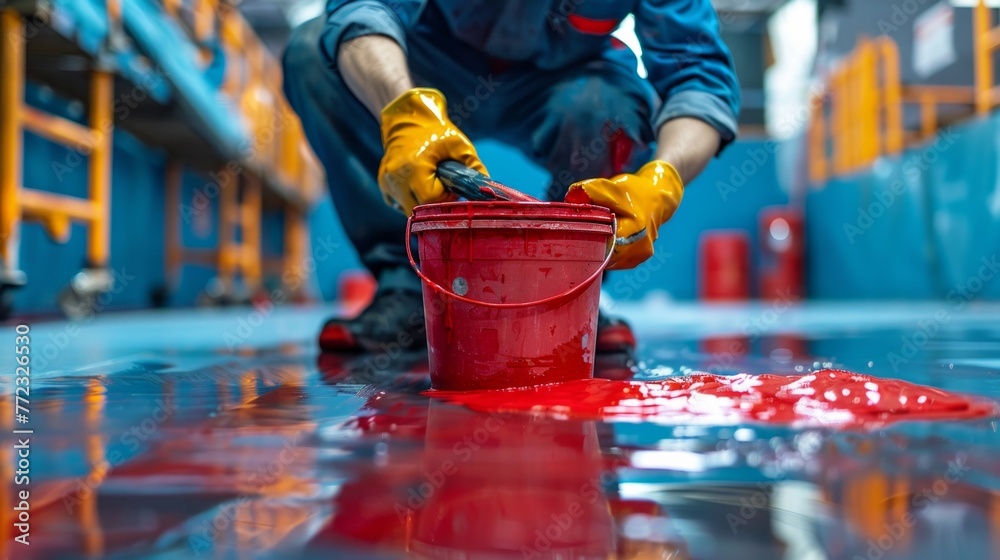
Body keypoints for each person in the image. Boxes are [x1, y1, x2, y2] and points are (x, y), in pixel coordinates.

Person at [282, 0, 741, 354]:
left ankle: (569, 294)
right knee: (313, 53)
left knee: (608, 110)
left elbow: (698, 80)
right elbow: (362, 9)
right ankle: (411, 291)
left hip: (566, 81)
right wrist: (405, 109)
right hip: (427, 61)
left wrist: (662, 179)